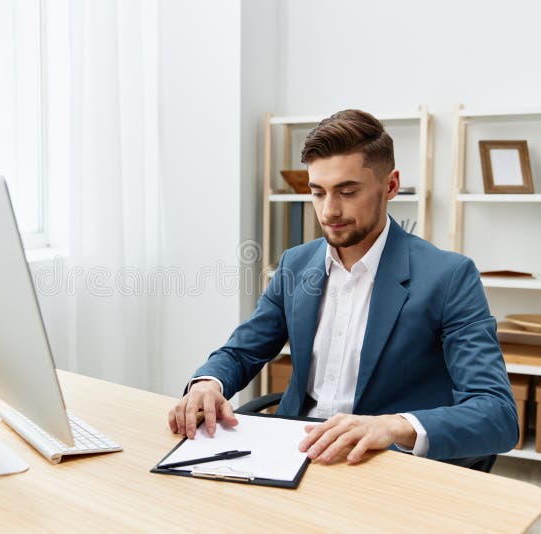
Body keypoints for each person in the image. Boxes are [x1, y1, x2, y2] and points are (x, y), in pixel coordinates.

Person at [168, 109, 518, 467]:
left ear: (391, 186)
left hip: (379, 462)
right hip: (294, 449)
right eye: (317, 193)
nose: (329, 211)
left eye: (347, 192)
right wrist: (208, 384)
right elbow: (242, 352)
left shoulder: (449, 276)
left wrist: (393, 426)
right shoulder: (296, 264)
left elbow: (497, 414)